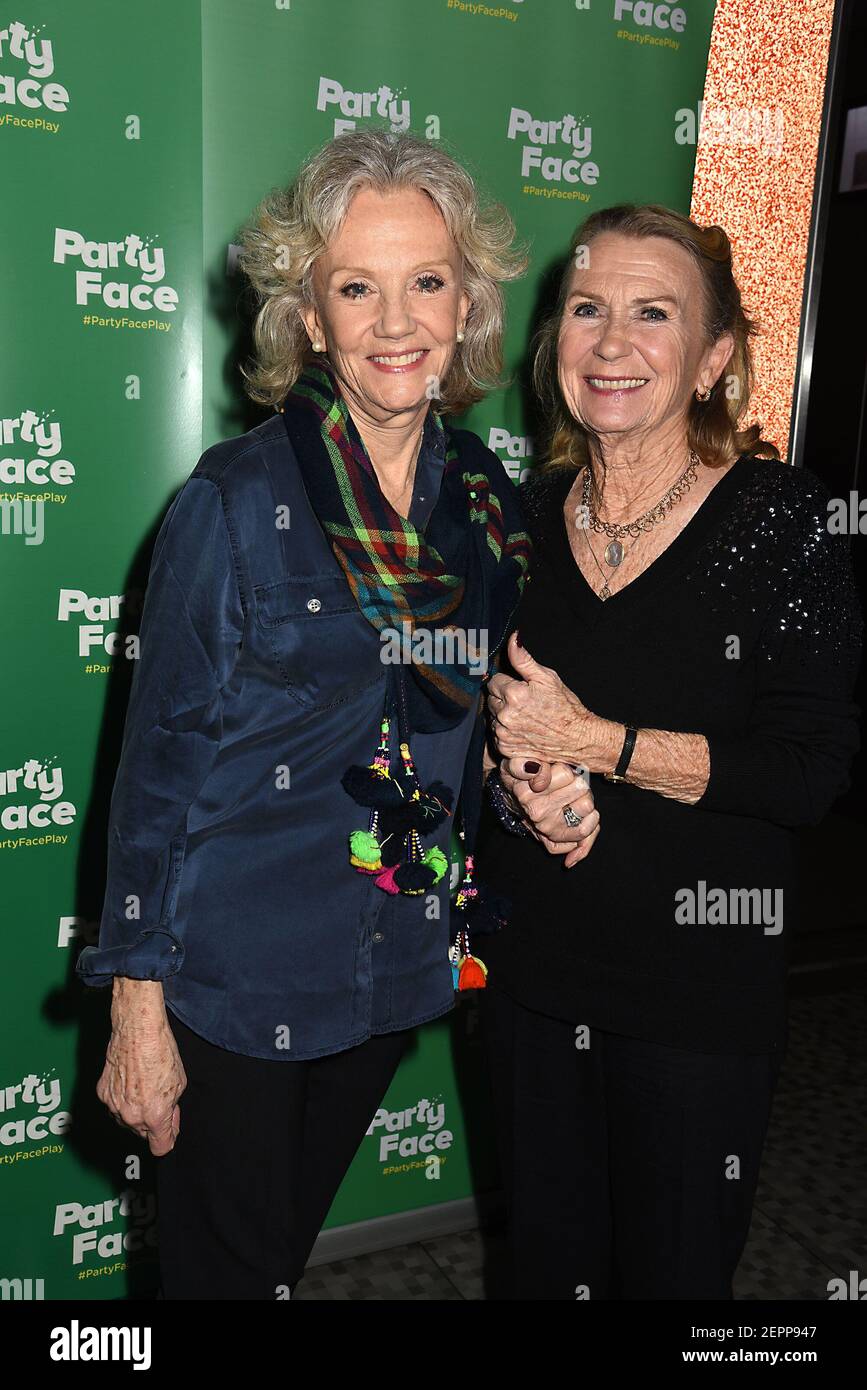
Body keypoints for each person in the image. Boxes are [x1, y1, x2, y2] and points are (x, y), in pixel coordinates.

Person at [75, 128, 568, 1300]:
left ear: (467, 306)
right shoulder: (236, 501)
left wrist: (540, 773)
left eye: (427, 282)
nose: (397, 322)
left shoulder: (486, 502)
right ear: (308, 316)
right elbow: (154, 774)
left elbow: (481, 713)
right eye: (357, 288)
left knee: (275, 1262)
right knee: (226, 1278)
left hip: (390, 969)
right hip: (235, 981)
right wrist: (137, 1008)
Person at [475, 203, 863, 1300]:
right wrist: (518, 781)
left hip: (697, 1001)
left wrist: (598, 744)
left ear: (713, 358)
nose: (611, 342)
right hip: (534, 983)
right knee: (543, 1274)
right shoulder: (520, 517)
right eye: (586, 309)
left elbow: (809, 773)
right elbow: (492, 733)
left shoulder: (782, 520)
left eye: (654, 313)